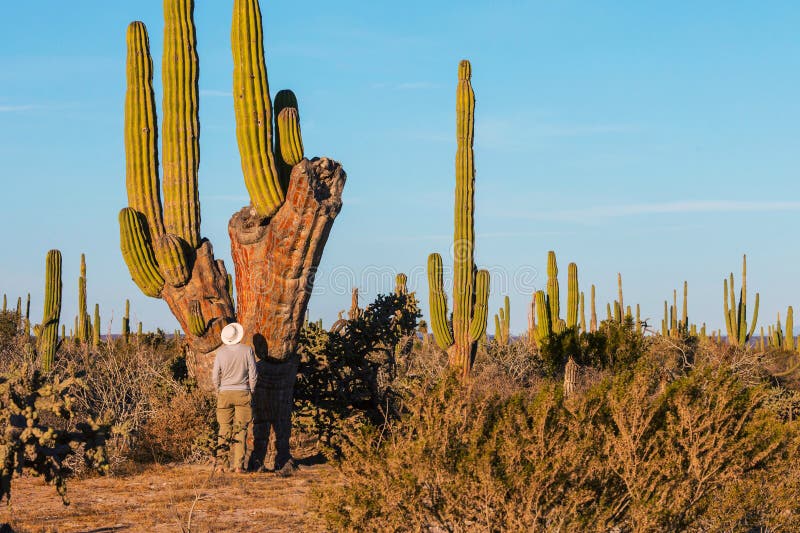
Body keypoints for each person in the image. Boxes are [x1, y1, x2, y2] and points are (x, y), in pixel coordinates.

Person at [212, 322, 257, 473]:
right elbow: (253, 373)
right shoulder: (247, 350)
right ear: (238, 336)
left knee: (223, 429)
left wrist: (219, 389)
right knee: (241, 430)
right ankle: (238, 465)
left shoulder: (221, 352)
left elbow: (215, 375)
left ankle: (221, 465)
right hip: (243, 392)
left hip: (225, 393)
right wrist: (252, 389)